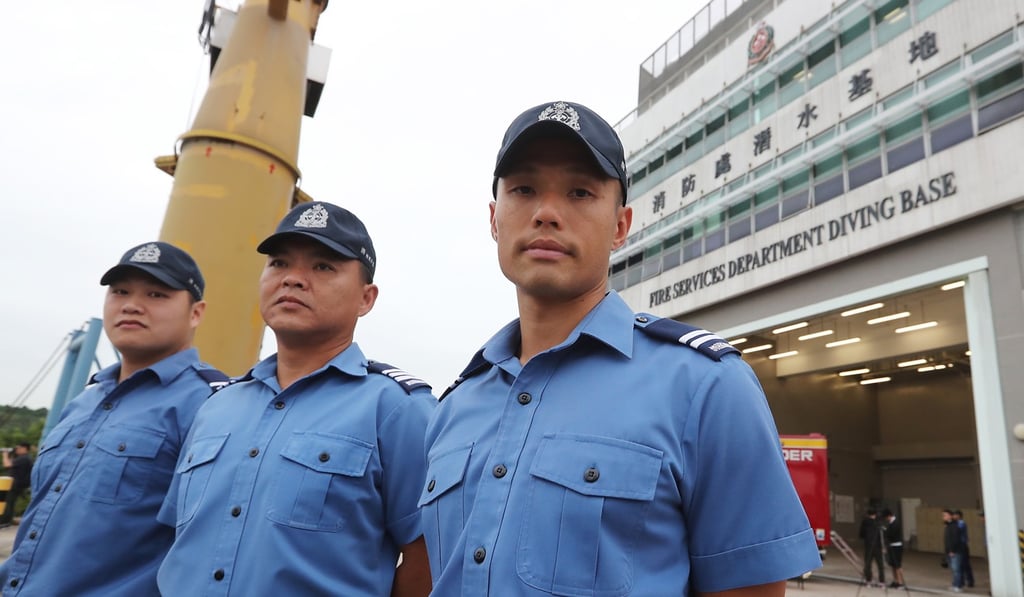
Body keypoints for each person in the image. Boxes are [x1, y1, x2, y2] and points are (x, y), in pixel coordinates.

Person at [420, 100, 822, 596]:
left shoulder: (706, 388)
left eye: (580, 192)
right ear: (493, 219)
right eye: (523, 189)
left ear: (620, 226)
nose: (546, 213)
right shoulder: (454, 408)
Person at [157, 202, 436, 596]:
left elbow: (428, 552)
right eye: (279, 263)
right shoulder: (215, 407)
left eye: (323, 266)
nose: (293, 279)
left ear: (366, 298)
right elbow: (178, 542)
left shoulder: (396, 409)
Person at [0, 241, 226, 596]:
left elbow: (213, 544)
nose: (132, 305)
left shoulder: (211, 405)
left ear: (196, 313)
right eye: (120, 292)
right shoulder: (84, 404)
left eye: (156, 294)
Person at [0, 444, 33, 526]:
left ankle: (4, 521)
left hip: (15, 484)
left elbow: (7, 464)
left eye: (18, 448)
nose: (16, 450)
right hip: (18, 484)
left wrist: (5, 455)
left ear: (24, 448)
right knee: (10, 502)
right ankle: (7, 520)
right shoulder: (25, 458)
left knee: (8, 502)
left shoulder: (23, 458)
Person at [858, 508, 885, 586]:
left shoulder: (865, 522)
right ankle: (882, 581)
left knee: (868, 564)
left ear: (868, 514)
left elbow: (861, 534)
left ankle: (868, 581)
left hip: (868, 546)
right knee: (880, 564)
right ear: (875, 514)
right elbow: (882, 535)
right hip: (878, 546)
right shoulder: (879, 523)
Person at [881, 508, 905, 588]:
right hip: (892, 546)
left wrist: (885, 531)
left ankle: (901, 582)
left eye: (886, 517)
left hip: (897, 546)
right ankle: (895, 581)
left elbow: (892, 535)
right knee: (893, 565)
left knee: (898, 565)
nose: (886, 519)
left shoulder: (896, 523)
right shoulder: (891, 523)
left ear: (889, 516)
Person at [952, 509, 974, 589]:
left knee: (965, 564)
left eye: (955, 515)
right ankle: (962, 581)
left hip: (963, 546)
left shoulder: (961, 523)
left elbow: (958, 530)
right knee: (961, 565)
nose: (953, 516)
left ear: (959, 516)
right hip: (959, 546)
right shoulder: (956, 523)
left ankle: (969, 581)